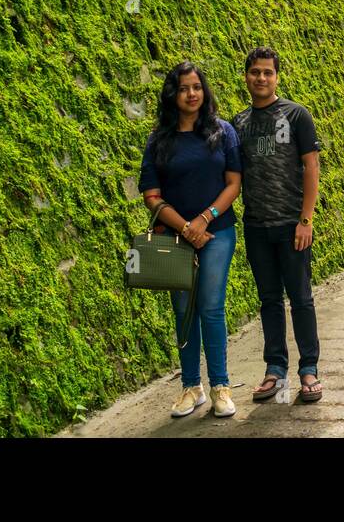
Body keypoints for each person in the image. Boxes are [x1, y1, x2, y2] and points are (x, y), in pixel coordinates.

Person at [138, 61, 243, 419]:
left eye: (196, 87)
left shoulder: (223, 132)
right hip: (176, 237)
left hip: (218, 232)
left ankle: (221, 386)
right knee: (183, 311)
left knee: (210, 307)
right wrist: (185, 227)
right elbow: (151, 195)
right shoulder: (159, 140)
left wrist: (203, 220)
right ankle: (191, 387)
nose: (191, 94)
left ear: (204, 91)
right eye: (184, 88)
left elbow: (233, 184)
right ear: (173, 94)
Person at [231, 46, 323, 403]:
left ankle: (309, 370)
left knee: (300, 298)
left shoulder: (297, 116)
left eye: (268, 72)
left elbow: (311, 167)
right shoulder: (238, 124)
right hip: (256, 226)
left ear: (277, 77)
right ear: (246, 77)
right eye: (255, 72)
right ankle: (275, 369)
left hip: (291, 225)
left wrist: (306, 219)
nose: (261, 78)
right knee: (268, 300)